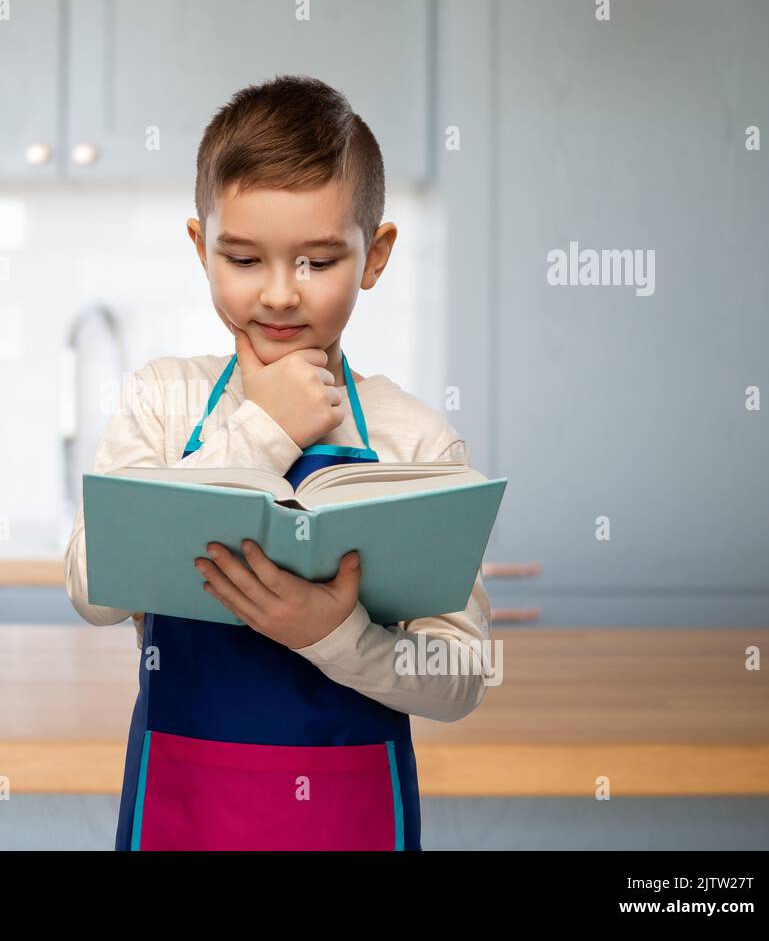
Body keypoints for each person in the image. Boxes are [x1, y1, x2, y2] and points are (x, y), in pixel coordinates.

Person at [64, 74, 492, 851]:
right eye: (244, 258)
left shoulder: (417, 440)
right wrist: (262, 429)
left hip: (349, 814)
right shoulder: (164, 403)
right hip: (182, 805)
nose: (279, 295)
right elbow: (93, 584)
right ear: (201, 248)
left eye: (318, 262)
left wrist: (337, 637)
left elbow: (462, 675)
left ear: (375, 255)